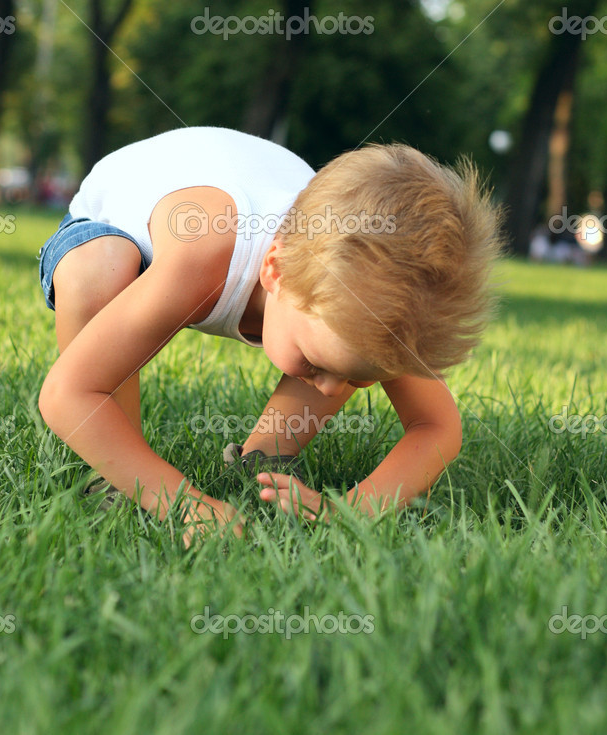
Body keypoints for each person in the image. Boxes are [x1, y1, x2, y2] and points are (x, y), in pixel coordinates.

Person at [37, 125, 504, 544]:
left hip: (278, 234)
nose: (332, 390)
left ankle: (258, 464)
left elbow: (437, 427)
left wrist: (351, 512)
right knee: (97, 268)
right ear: (274, 270)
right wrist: (181, 502)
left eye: (357, 382)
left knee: (343, 357)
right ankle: (119, 478)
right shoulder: (203, 256)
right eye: (316, 365)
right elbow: (67, 394)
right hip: (110, 228)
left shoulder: (367, 305)